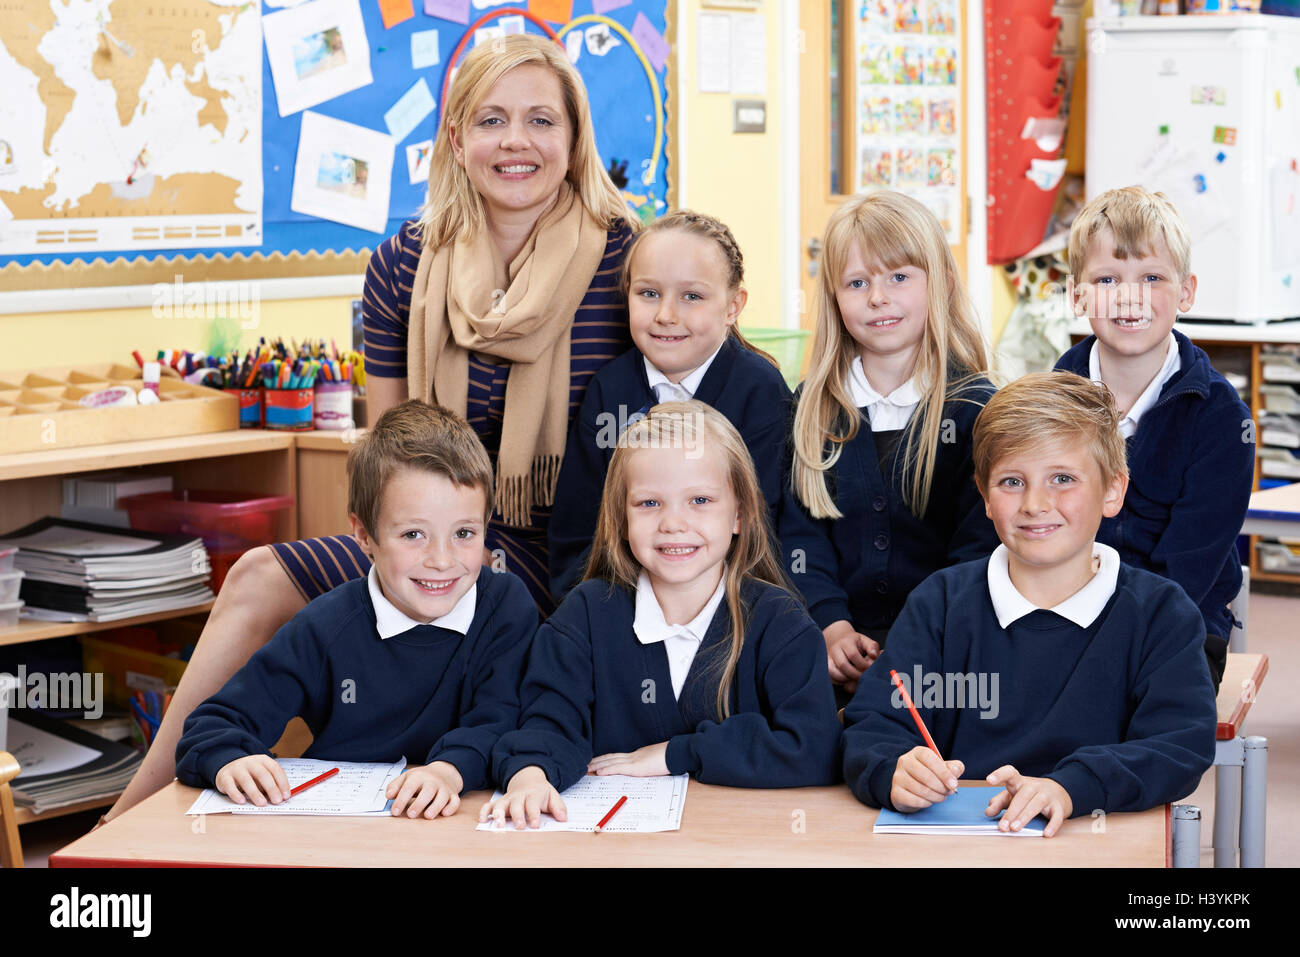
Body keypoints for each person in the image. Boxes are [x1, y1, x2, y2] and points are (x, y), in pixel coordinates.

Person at [105, 33, 634, 822]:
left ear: (574, 137)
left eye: (540, 121)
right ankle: (129, 817)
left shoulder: (627, 263)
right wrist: (403, 543)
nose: (516, 142)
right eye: (491, 120)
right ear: (456, 137)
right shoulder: (402, 266)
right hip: (436, 520)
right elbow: (386, 450)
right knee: (254, 574)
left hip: (571, 545)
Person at [841, 373, 1217, 837]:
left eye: (1062, 478)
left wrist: (1073, 786)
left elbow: (1180, 746)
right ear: (984, 496)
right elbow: (873, 724)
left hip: (1094, 841)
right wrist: (892, 768)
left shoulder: (1161, 614)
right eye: (1012, 481)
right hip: (955, 848)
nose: (1036, 504)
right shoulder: (939, 604)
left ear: (1113, 491)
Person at [482, 403, 841, 829]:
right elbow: (548, 721)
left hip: (736, 847)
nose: (673, 523)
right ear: (622, 519)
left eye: (700, 500)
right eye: (650, 503)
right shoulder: (584, 615)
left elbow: (814, 747)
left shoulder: (781, 623)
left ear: (741, 513)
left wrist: (676, 753)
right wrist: (530, 776)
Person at [175, 401, 538, 818]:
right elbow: (211, 726)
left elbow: (501, 718)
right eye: (414, 534)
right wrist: (229, 759)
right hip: (341, 834)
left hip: (462, 826)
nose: (442, 559)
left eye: (464, 533)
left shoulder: (506, 607)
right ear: (364, 535)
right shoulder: (325, 626)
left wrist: (446, 770)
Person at [778, 190, 998, 696]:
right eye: (857, 282)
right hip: (828, 645)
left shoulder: (976, 411)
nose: (878, 297)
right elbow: (798, 538)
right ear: (835, 297)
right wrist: (830, 624)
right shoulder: (811, 407)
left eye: (899, 277)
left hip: (946, 651)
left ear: (939, 282)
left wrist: (914, 642)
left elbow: (979, 551)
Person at [1055, 186, 1254, 689]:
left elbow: (1190, 568)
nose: (1129, 296)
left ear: (1186, 292)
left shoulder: (1221, 418)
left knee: (1130, 717)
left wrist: (1114, 641)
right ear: (1077, 294)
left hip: (1178, 626)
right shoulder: (1050, 401)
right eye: (1106, 279)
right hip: (1062, 612)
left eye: (1151, 277)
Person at [547, 210, 791, 600]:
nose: (665, 315)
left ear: (733, 306)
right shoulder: (609, 390)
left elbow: (768, 527)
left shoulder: (759, 390)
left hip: (733, 607)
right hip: (622, 603)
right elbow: (577, 529)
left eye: (691, 296)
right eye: (648, 294)